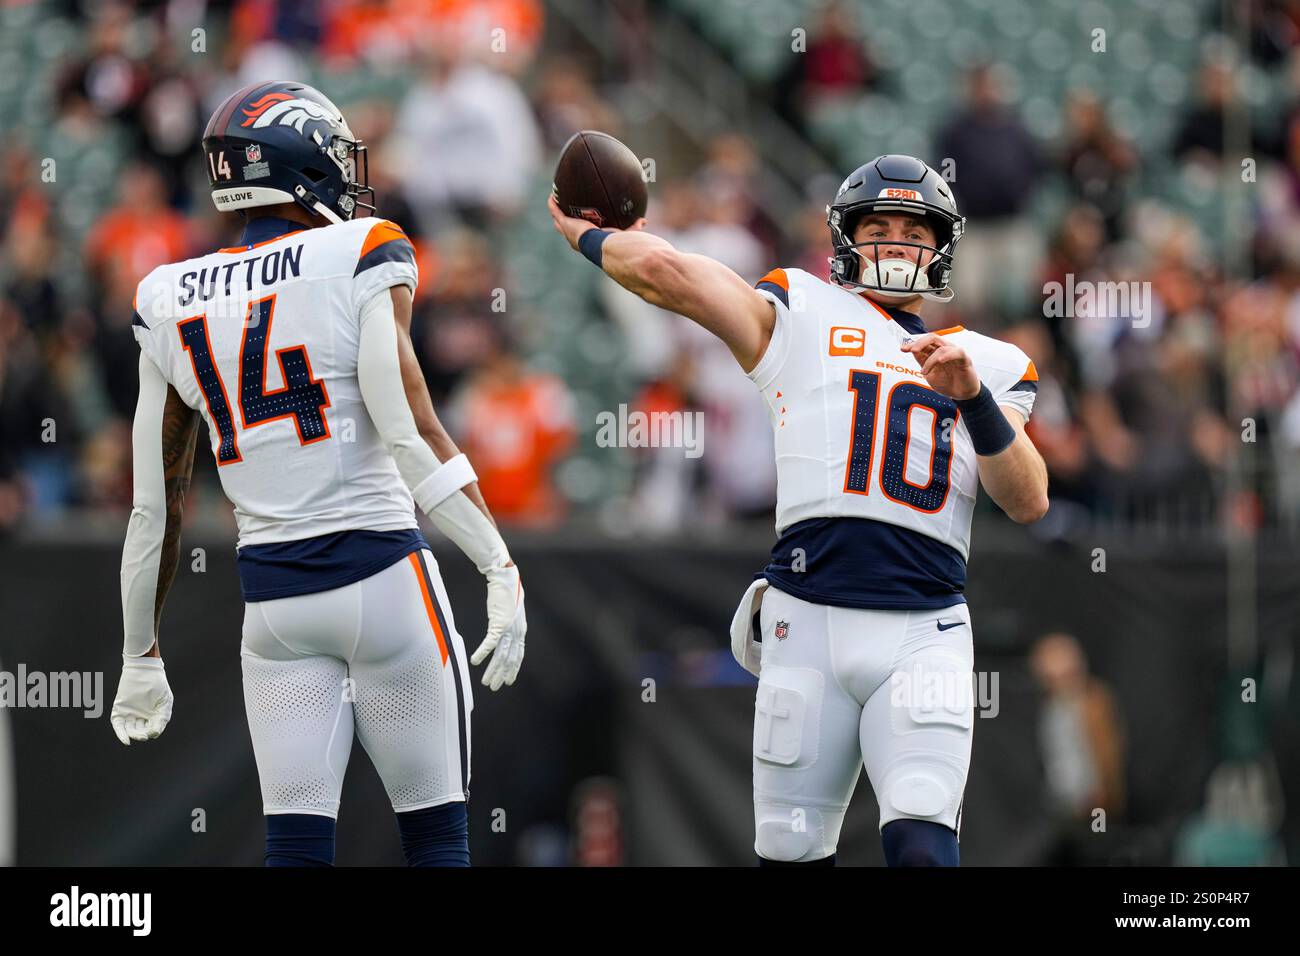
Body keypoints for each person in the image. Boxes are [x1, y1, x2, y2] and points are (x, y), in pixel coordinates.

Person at [550, 153, 1048, 866]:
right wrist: (590, 237)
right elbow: (676, 275)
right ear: (847, 237)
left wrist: (973, 398)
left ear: (942, 246)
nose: (898, 244)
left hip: (923, 629)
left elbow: (1029, 500)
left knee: (923, 847)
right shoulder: (802, 309)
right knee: (789, 854)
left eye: (915, 230)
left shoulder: (993, 362)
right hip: (806, 622)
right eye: (880, 226)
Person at [110, 81, 527, 867]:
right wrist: (495, 560)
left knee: (295, 852)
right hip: (383, 581)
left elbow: (152, 509)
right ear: (296, 159)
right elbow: (409, 431)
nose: (346, 168)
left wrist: (140, 653)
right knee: (437, 841)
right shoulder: (360, 249)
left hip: (273, 610)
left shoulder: (170, 295)